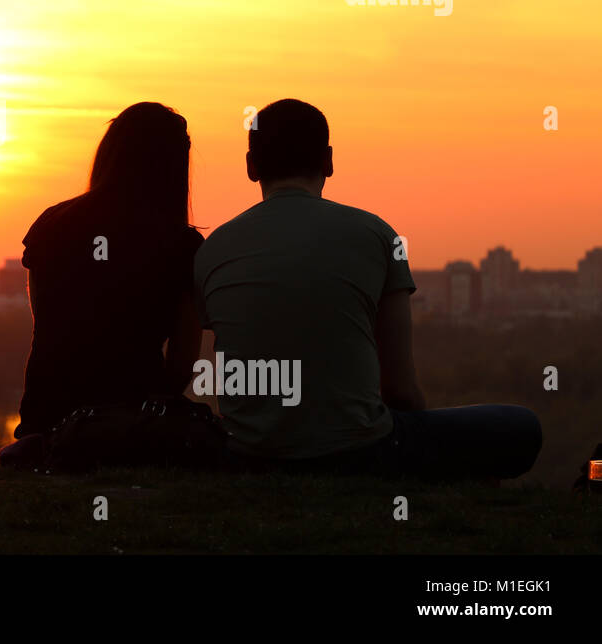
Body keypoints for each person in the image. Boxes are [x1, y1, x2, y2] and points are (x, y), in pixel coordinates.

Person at [193, 98, 541, 479]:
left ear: (250, 165)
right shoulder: (375, 233)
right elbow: (402, 391)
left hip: (249, 456)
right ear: (328, 160)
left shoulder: (214, 249)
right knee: (520, 425)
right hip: (359, 453)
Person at [0, 102, 204, 468]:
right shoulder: (180, 244)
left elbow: (45, 328)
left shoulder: (51, 224)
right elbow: (182, 361)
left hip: (47, 422)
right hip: (134, 421)